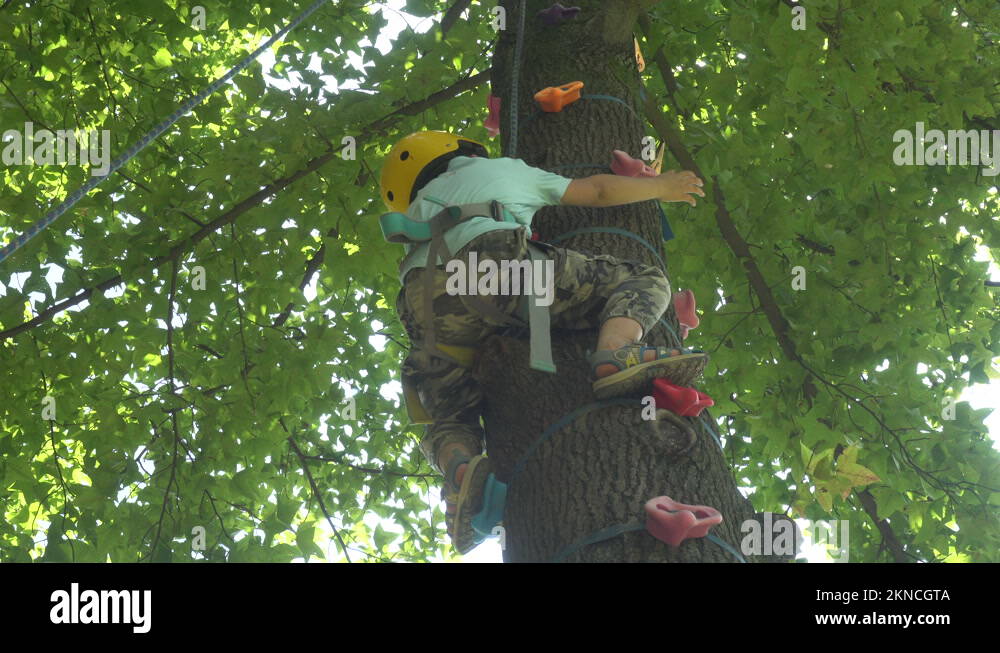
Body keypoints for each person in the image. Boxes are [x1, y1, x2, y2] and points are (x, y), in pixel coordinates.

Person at [380, 130, 707, 553]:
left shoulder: (421, 210)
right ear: (461, 150)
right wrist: (662, 186)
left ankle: (460, 471)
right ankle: (615, 353)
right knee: (642, 279)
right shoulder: (498, 169)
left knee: (450, 409)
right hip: (494, 267)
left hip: (424, 303)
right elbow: (598, 189)